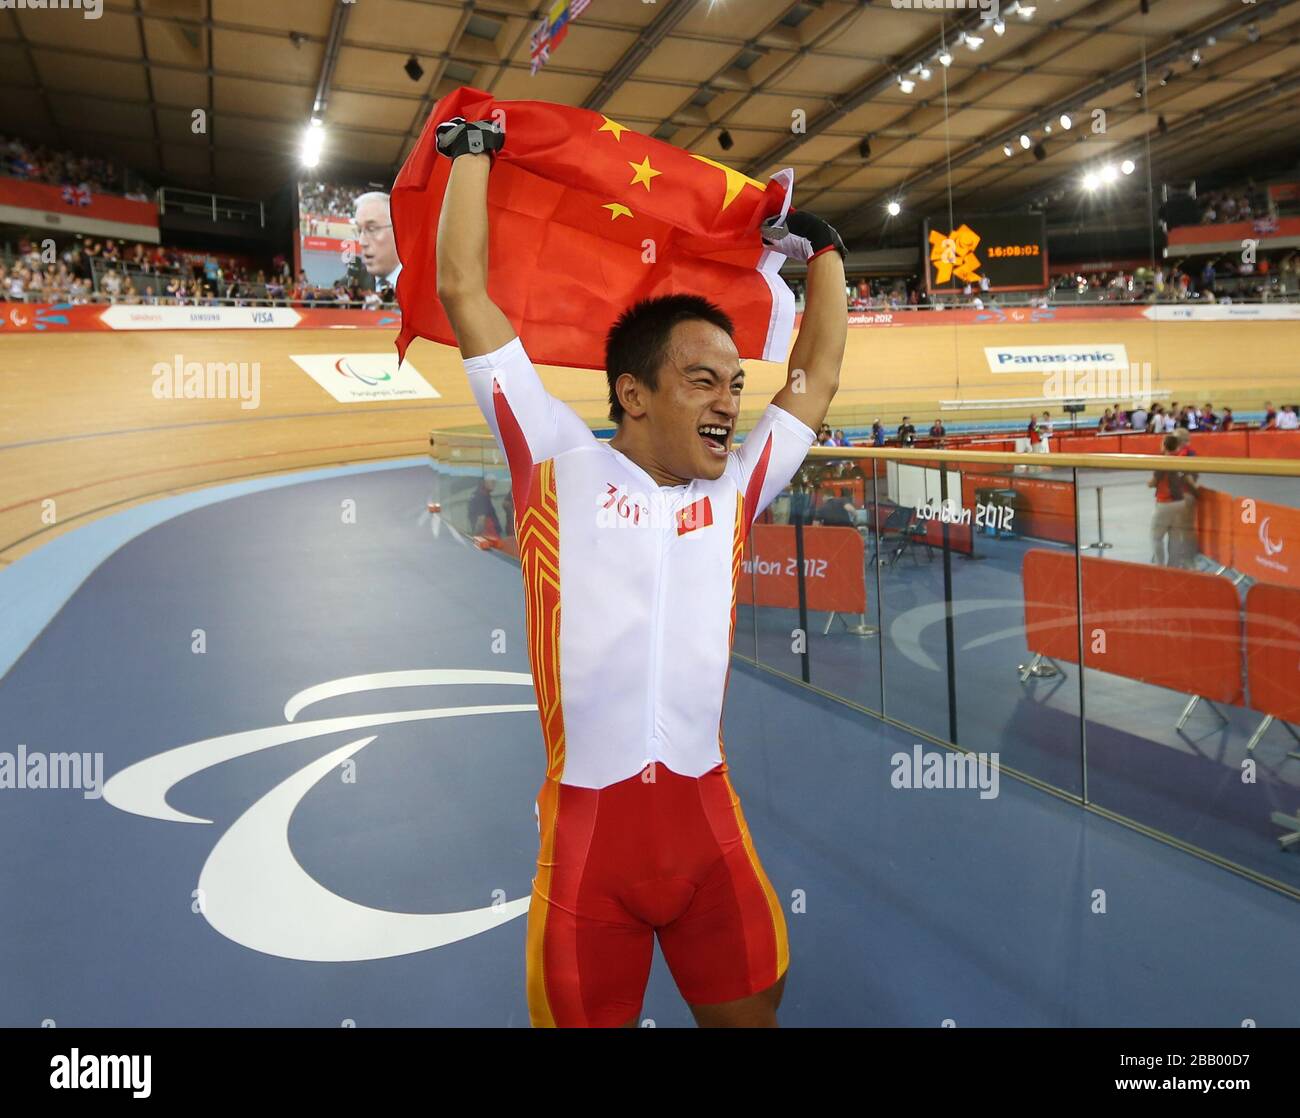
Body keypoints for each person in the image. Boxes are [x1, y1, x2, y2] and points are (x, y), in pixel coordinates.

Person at [431, 116, 847, 1028]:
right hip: (588, 864)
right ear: (634, 394)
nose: (731, 405)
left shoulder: (737, 486)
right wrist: (470, 155)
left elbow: (813, 375)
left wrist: (824, 252)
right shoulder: (554, 459)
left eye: (736, 385)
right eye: (704, 382)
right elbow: (464, 288)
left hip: (711, 843)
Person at [1149, 433, 1198, 567]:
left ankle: (1159, 566)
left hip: (1165, 503)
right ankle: (1174, 567)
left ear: (1164, 445)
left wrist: (1149, 483)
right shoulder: (1182, 460)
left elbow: (1154, 482)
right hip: (1180, 502)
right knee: (1175, 536)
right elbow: (1188, 478)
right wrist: (1196, 492)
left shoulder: (1163, 461)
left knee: (1156, 537)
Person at [353, 190, 402, 299]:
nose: (362, 242)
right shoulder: (354, 283)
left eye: (371, 229)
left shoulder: (429, 283)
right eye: (359, 230)